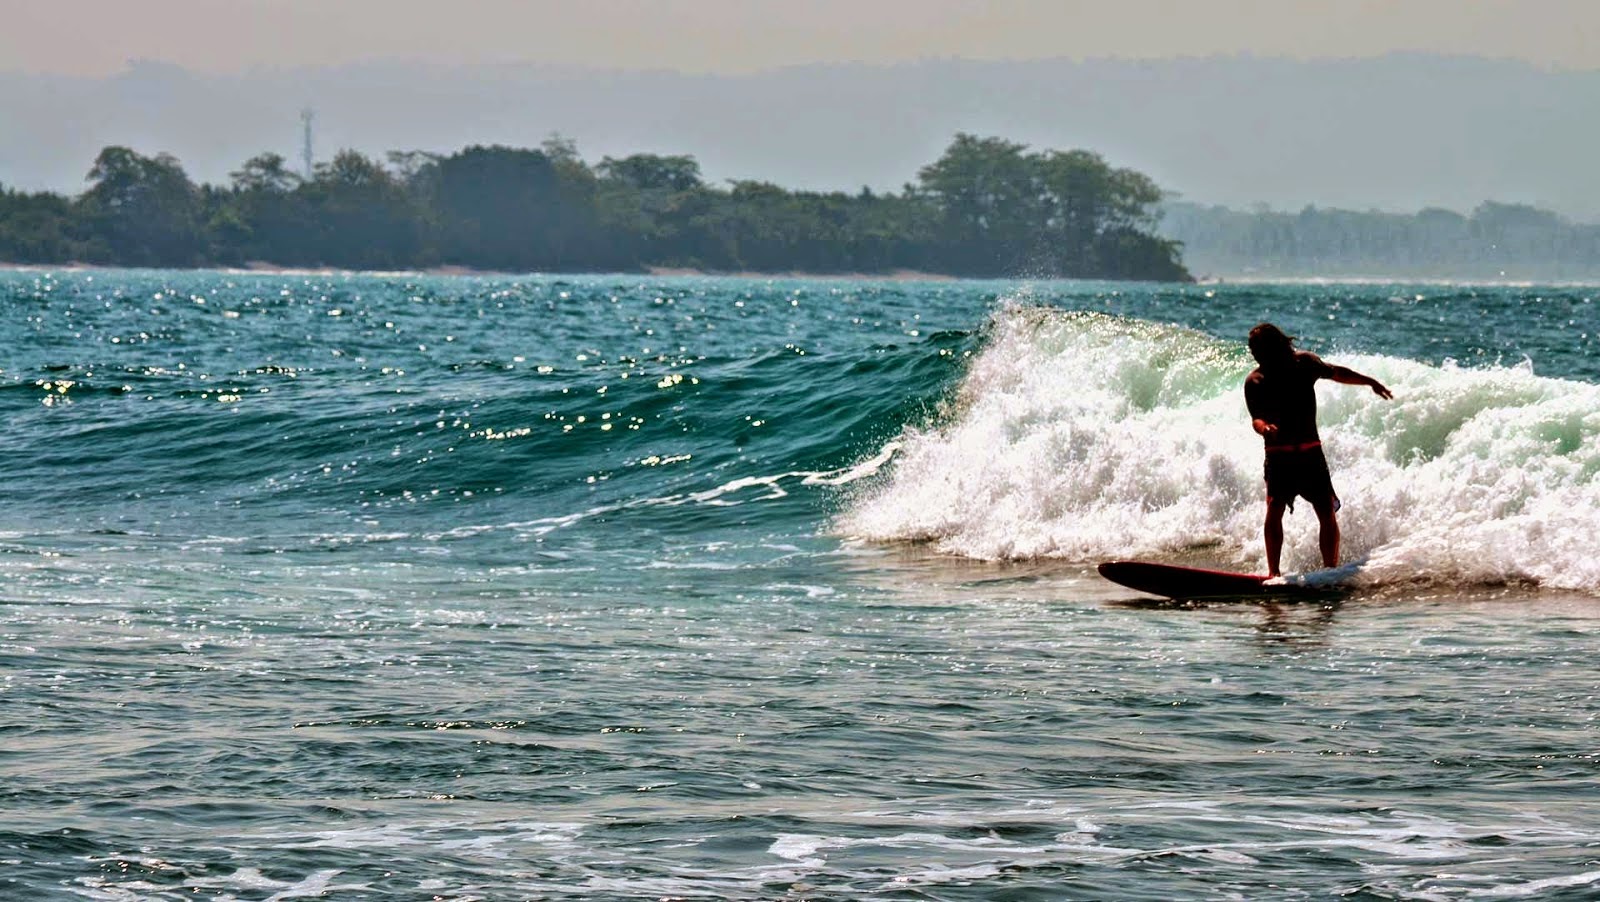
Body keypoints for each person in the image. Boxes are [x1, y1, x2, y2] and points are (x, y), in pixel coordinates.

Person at [1244, 323, 1392, 577]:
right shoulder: (1255, 381)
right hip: (1279, 458)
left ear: (1274, 346)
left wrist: (1369, 382)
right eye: (1252, 350)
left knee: (1325, 511)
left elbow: (1337, 373)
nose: (1255, 354)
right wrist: (1264, 428)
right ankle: (1273, 574)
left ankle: (1330, 571)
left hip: (1310, 454)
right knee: (1274, 510)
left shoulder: (1304, 363)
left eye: (1258, 349)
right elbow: (1256, 418)